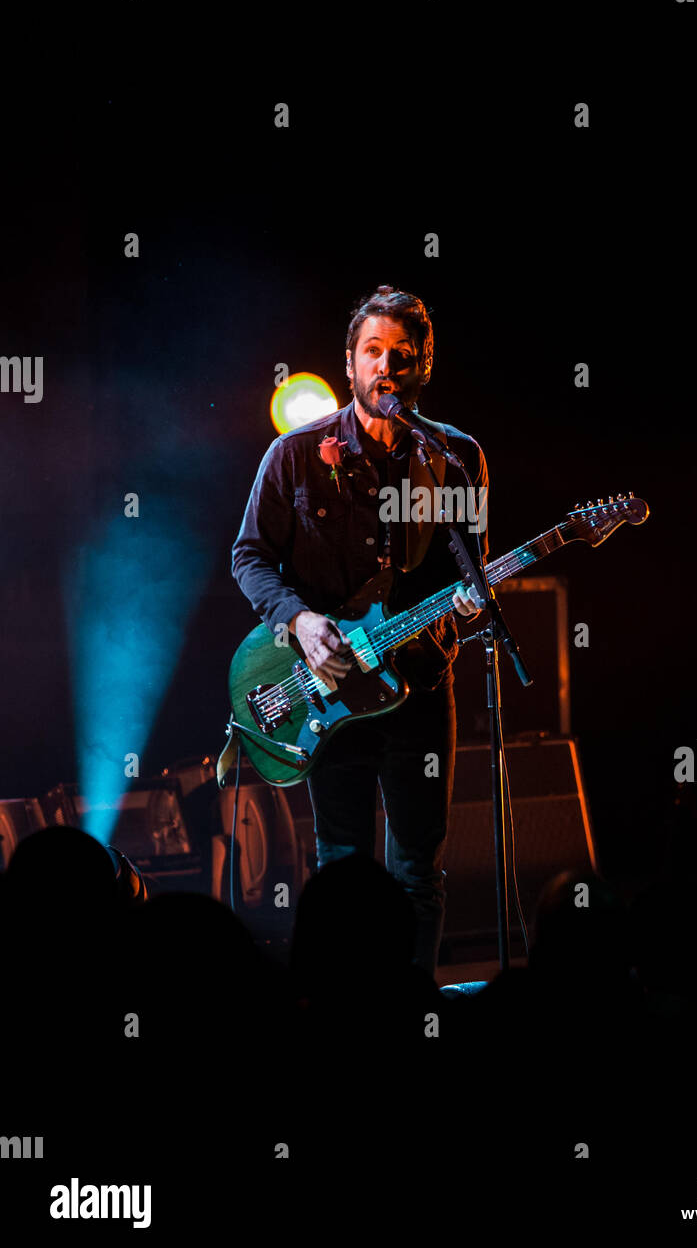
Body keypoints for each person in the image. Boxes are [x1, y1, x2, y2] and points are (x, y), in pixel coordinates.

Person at [231, 284, 489, 975]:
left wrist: (469, 606)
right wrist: (302, 620)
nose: (385, 369)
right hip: (329, 684)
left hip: (423, 688)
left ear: (421, 368)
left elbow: (470, 572)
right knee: (341, 864)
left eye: (400, 357)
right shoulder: (294, 455)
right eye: (371, 352)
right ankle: (345, 1008)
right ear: (349, 364)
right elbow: (249, 556)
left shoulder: (456, 457)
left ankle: (415, 1011)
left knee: (417, 870)